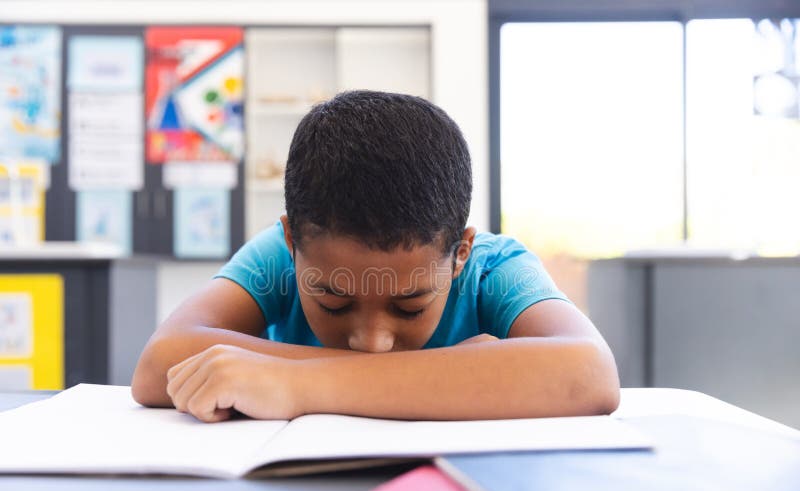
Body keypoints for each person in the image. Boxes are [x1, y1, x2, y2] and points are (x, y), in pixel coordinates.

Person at [131, 90, 619, 423]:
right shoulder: (279, 260)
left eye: (409, 306)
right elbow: (159, 364)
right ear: (291, 243)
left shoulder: (495, 268)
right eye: (334, 303)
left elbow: (589, 374)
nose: (372, 343)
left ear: (461, 254)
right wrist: (456, 373)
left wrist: (296, 385)